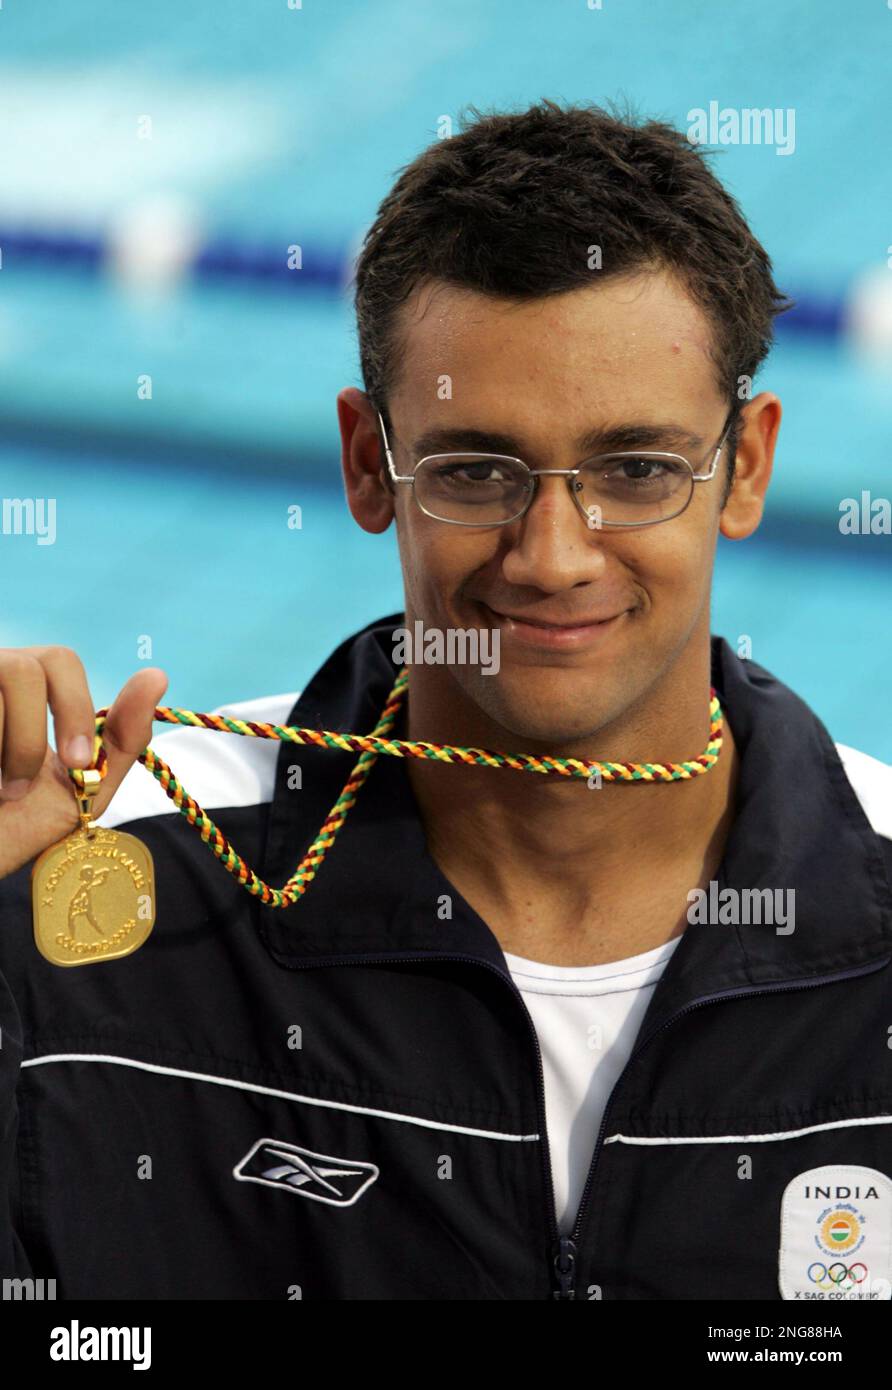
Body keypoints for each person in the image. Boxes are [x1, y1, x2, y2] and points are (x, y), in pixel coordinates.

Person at [1, 99, 890, 1302]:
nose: (552, 555)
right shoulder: (96, 885)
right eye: (476, 469)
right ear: (369, 463)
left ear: (746, 467)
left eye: (635, 468)